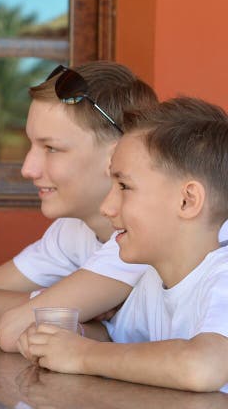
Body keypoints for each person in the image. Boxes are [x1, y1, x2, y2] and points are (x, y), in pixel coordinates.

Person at [0, 62, 160, 346]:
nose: (28, 168)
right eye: (31, 145)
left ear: (116, 157)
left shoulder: (145, 233)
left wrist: (44, 310)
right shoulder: (71, 230)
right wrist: (69, 309)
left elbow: (13, 330)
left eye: (51, 148)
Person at [18, 97, 228, 392]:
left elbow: (203, 367)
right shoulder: (153, 282)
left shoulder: (223, 277)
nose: (107, 207)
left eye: (124, 186)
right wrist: (67, 337)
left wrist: (81, 354)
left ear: (187, 200)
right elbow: (119, 341)